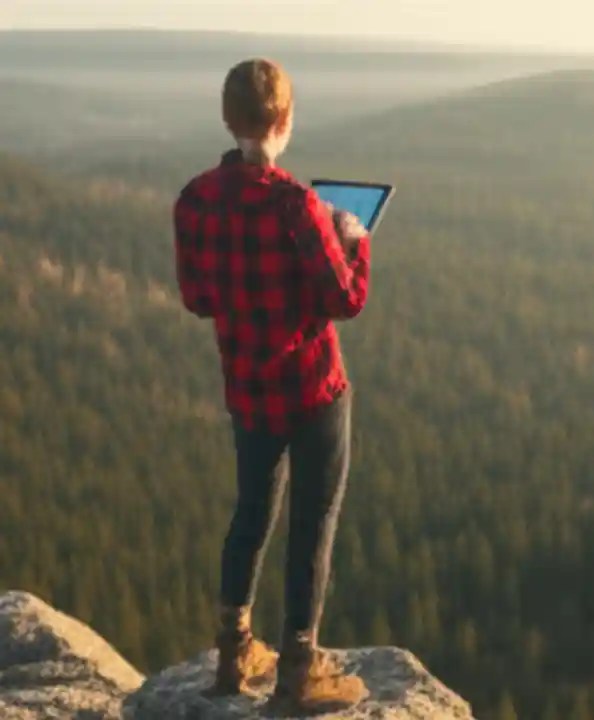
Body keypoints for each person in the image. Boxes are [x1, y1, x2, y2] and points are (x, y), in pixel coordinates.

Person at [173, 57, 371, 714]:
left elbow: (198, 298)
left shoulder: (195, 199)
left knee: (250, 514)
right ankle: (296, 673)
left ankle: (234, 655)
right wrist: (355, 240)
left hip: (248, 390)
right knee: (311, 524)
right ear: (284, 121)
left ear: (229, 121)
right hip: (313, 391)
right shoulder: (299, 208)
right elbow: (345, 299)